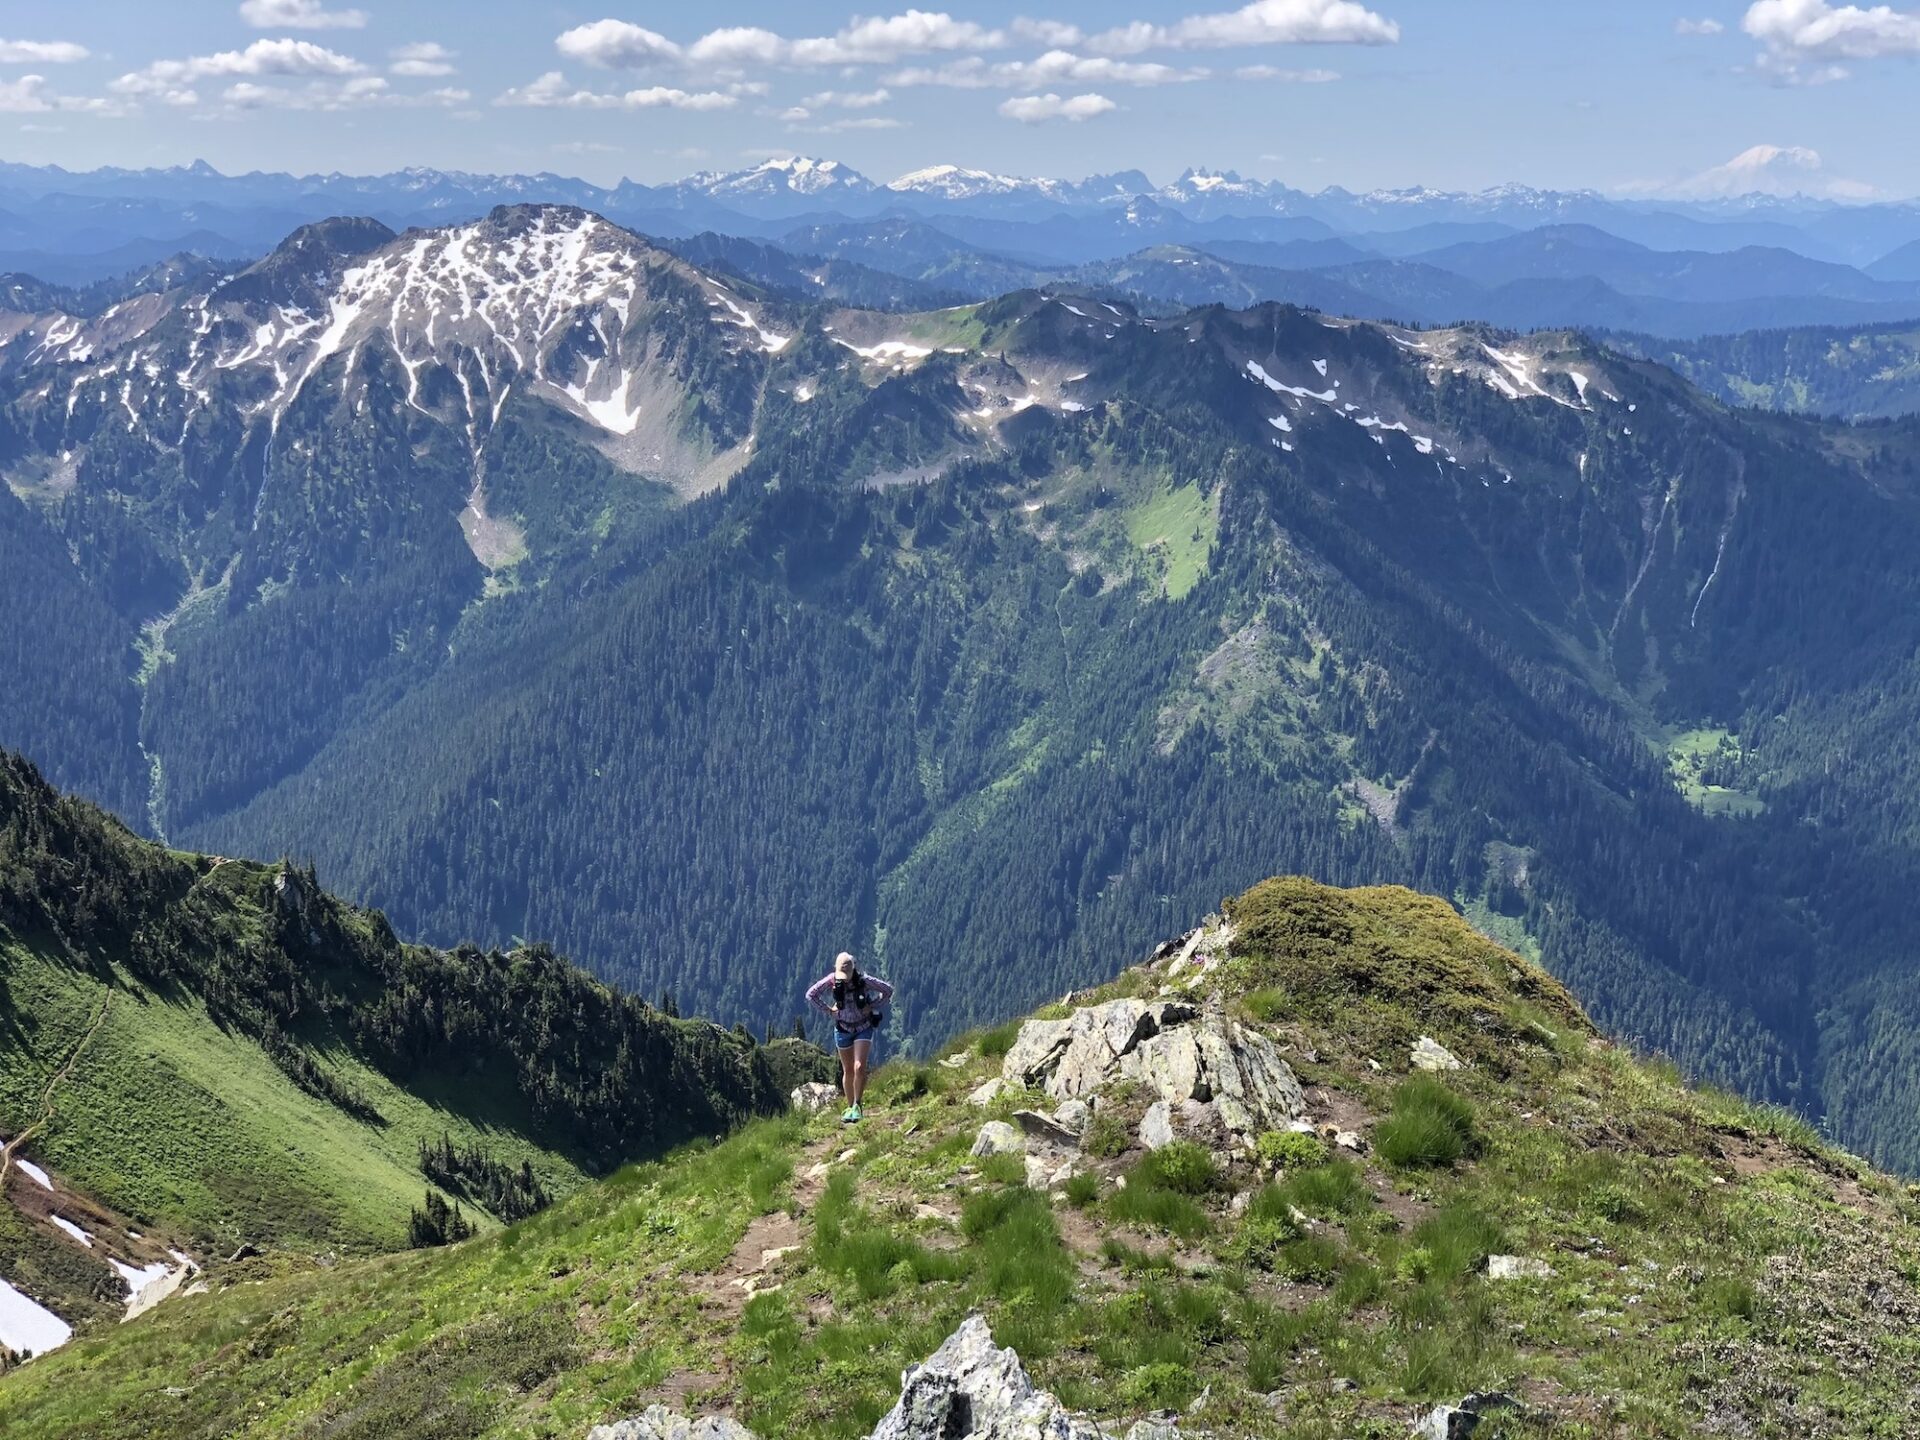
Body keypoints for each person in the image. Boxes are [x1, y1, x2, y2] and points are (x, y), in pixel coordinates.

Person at [805, 951, 893, 1124]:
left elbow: (888, 991)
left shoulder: (864, 981)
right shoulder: (831, 980)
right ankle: (850, 1105)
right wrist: (828, 1011)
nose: (844, 979)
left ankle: (858, 1106)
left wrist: (873, 1006)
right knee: (848, 1070)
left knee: (859, 1066)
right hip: (843, 1028)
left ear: (854, 970)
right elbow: (811, 995)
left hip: (863, 1027)